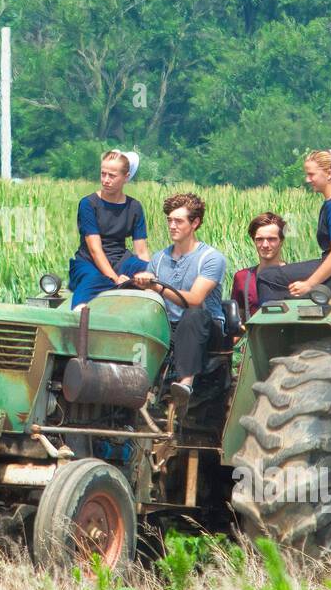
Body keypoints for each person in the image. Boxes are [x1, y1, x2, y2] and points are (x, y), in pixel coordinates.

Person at [132, 192, 227, 413]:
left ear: (195, 223)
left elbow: (194, 300)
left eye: (179, 221)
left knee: (193, 315)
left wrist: (157, 286)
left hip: (205, 326)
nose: (172, 226)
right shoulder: (159, 259)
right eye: (169, 220)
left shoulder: (211, 258)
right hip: (168, 326)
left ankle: (185, 384)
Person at [257, 148, 331, 303]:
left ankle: (271, 326)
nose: (307, 179)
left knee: (267, 277)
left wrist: (309, 284)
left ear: (329, 173)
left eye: (311, 174)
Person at [68, 149, 151, 309]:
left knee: (154, 273)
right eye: (103, 174)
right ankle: (79, 317)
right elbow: (95, 250)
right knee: (94, 280)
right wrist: (115, 278)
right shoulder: (88, 204)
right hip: (89, 263)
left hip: (120, 260)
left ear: (126, 177)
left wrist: (148, 275)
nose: (106, 180)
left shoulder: (134, 207)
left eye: (112, 176)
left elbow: (142, 252)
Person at [232, 212, 287, 320]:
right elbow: (239, 322)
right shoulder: (242, 277)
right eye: (259, 239)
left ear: (281, 241)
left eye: (271, 239)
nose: (265, 245)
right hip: (255, 335)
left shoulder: (294, 276)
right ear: (253, 241)